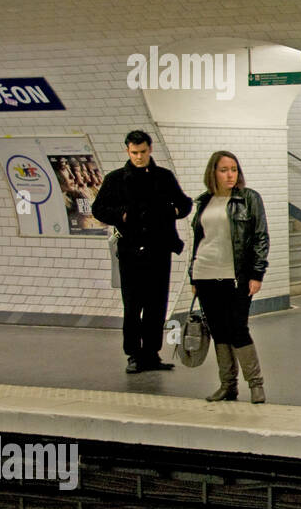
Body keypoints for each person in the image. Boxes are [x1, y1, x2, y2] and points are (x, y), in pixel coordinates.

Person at [92, 130, 193, 373]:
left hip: (159, 250)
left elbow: (185, 203)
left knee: (157, 305)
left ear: (150, 150)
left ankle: (152, 353)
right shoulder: (115, 179)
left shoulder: (164, 177)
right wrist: (121, 215)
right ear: (127, 151)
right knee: (133, 305)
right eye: (134, 152)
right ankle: (134, 355)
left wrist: (173, 212)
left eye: (143, 152)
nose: (139, 157)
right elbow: (98, 209)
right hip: (130, 252)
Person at [188, 151, 270, 404]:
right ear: (213, 173)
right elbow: (199, 241)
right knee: (219, 331)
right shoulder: (204, 201)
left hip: (236, 277)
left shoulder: (249, 199)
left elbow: (260, 237)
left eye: (234, 169)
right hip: (205, 274)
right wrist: (193, 276)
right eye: (224, 170)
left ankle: (256, 384)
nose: (230, 174)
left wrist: (257, 273)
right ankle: (227, 385)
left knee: (238, 328)